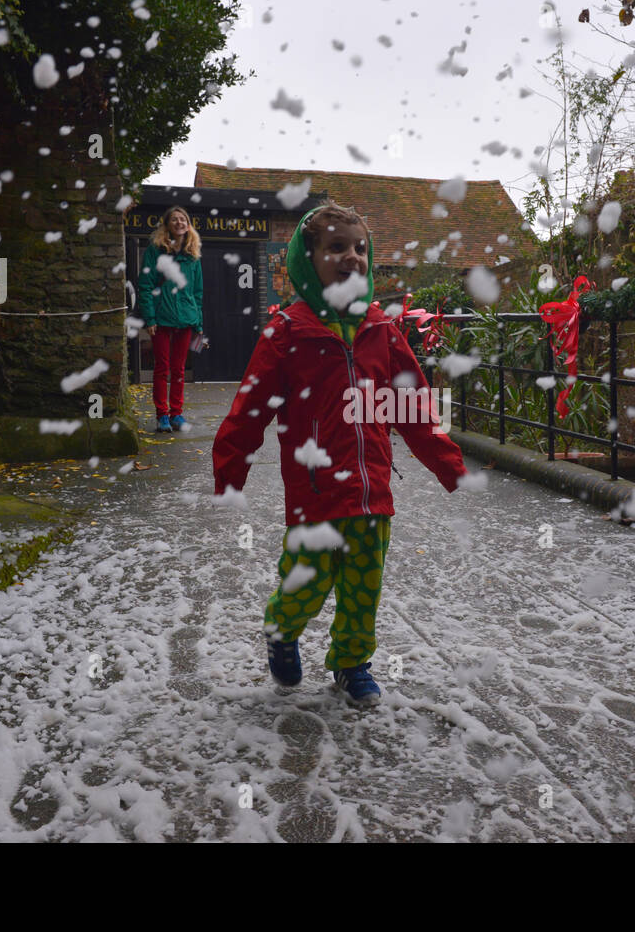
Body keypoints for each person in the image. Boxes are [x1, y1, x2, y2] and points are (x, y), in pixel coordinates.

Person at [212, 202, 469, 707]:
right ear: (308, 260)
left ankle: (353, 664)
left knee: (362, 588)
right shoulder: (287, 332)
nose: (351, 256)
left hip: (373, 489)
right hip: (314, 493)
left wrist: (448, 463)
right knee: (305, 583)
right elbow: (250, 408)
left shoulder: (382, 331)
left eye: (359, 248)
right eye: (336, 248)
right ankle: (282, 630)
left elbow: (413, 406)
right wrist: (229, 472)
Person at [138, 206, 204, 432]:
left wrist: (198, 321)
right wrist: (150, 318)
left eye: (183, 219)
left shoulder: (193, 256)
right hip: (162, 319)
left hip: (186, 320)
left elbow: (197, 292)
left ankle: (176, 414)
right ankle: (162, 415)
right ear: (167, 226)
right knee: (162, 368)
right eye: (174, 220)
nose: (179, 222)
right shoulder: (155, 251)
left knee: (178, 369)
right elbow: (145, 286)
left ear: (188, 225)